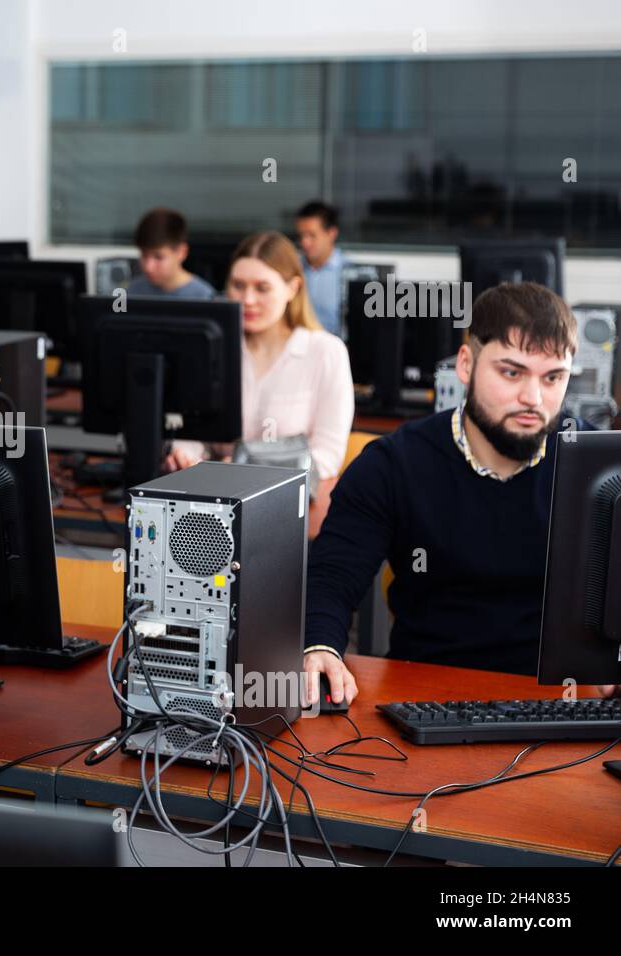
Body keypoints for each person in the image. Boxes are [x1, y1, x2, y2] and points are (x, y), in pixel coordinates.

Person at [303, 282, 617, 704]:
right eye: (512, 372)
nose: (533, 398)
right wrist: (319, 646)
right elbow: (332, 577)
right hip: (425, 696)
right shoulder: (395, 463)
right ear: (466, 365)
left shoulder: (600, 468)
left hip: (559, 701)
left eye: (553, 377)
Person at [163, 232, 354, 527]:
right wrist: (184, 456)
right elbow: (196, 434)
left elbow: (326, 457)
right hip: (213, 509)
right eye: (238, 286)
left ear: (293, 288)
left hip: (287, 514)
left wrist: (243, 471)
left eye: (262, 288)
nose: (248, 299)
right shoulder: (215, 349)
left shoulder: (325, 352)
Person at [125, 208, 216, 299]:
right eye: (144, 255)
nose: (149, 267)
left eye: (158, 257)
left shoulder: (204, 297)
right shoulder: (131, 292)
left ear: (182, 252)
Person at [295, 200, 346, 337]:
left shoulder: (349, 273)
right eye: (301, 236)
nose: (304, 242)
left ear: (332, 233)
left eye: (312, 235)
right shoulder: (292, 269)